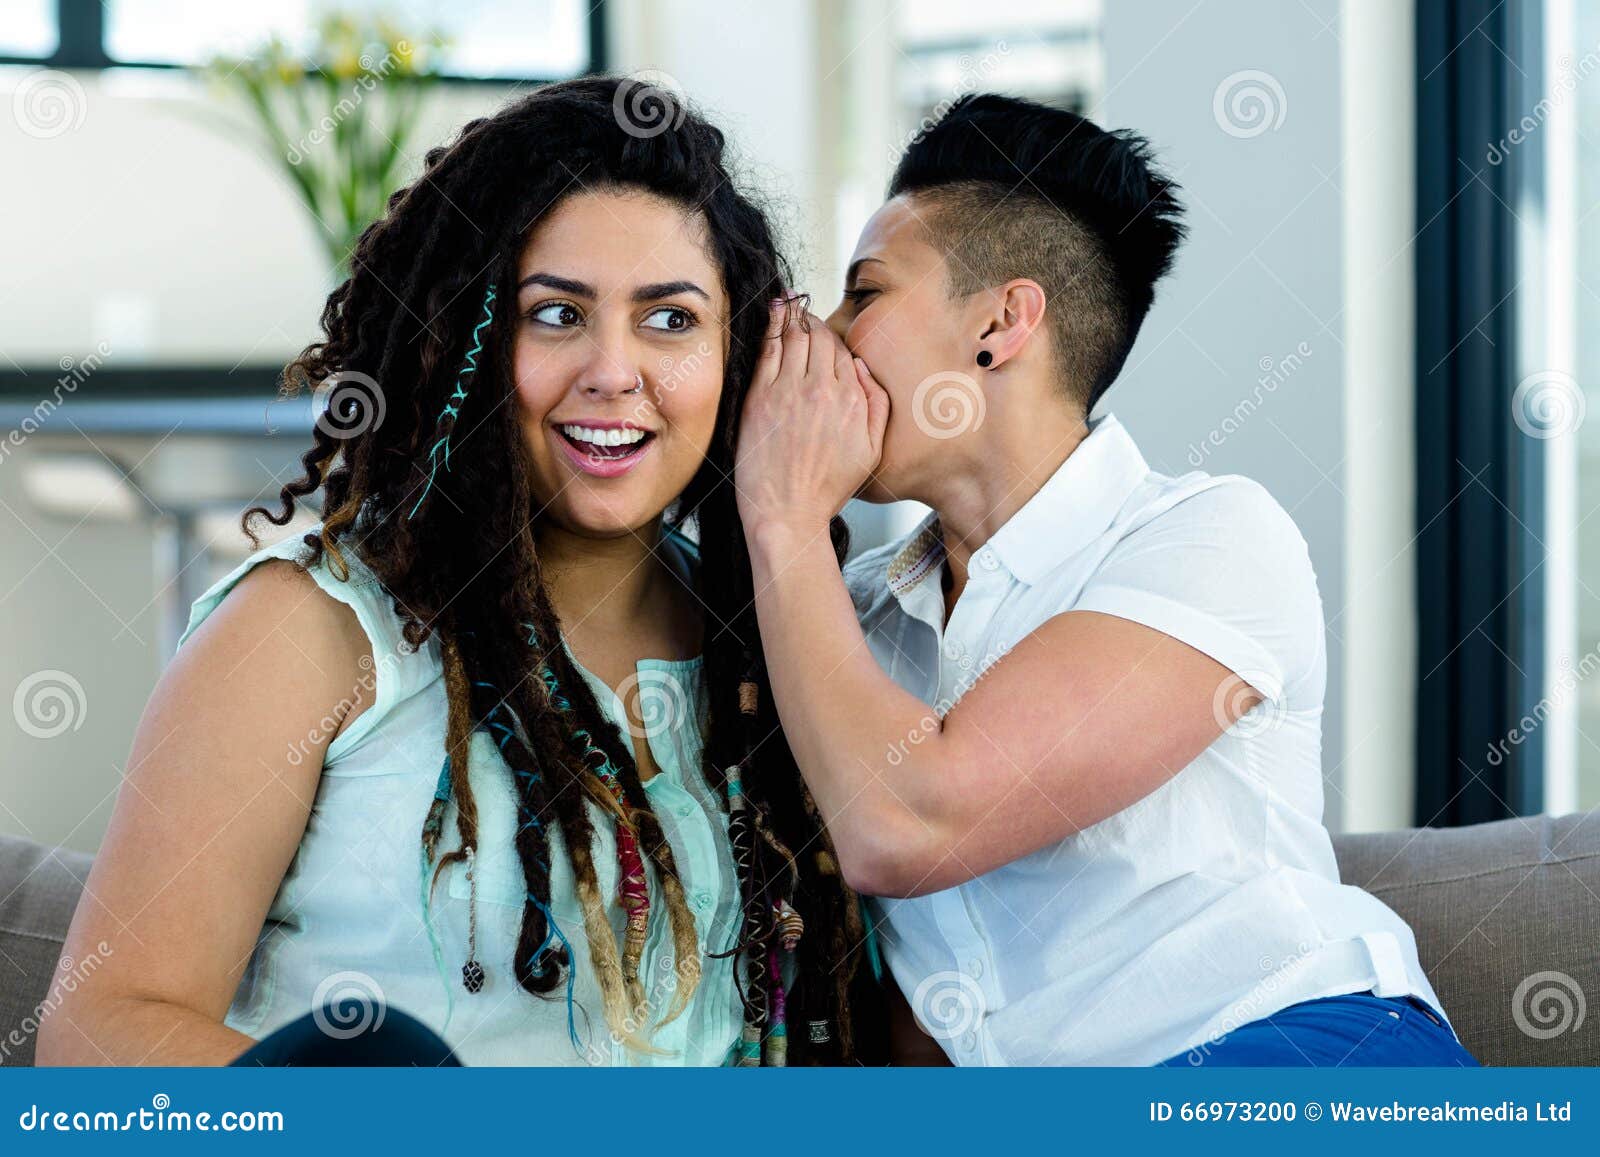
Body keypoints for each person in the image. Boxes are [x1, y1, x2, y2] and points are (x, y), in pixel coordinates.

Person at [40, 77, 884, 1068]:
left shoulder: (769, 633)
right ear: (461, 345)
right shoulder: (303, 634)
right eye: (557, 314)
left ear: (738, 357)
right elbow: (98, 1030)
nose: (614, 371)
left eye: (670, 321)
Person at [734, 93, 1477, 1067]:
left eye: (863, 293)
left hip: (1301, 1053)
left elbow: (909, 823)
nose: (824, 338)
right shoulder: (851, 616)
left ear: (1000, 323)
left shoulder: (1208, 537)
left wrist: (784, 512)